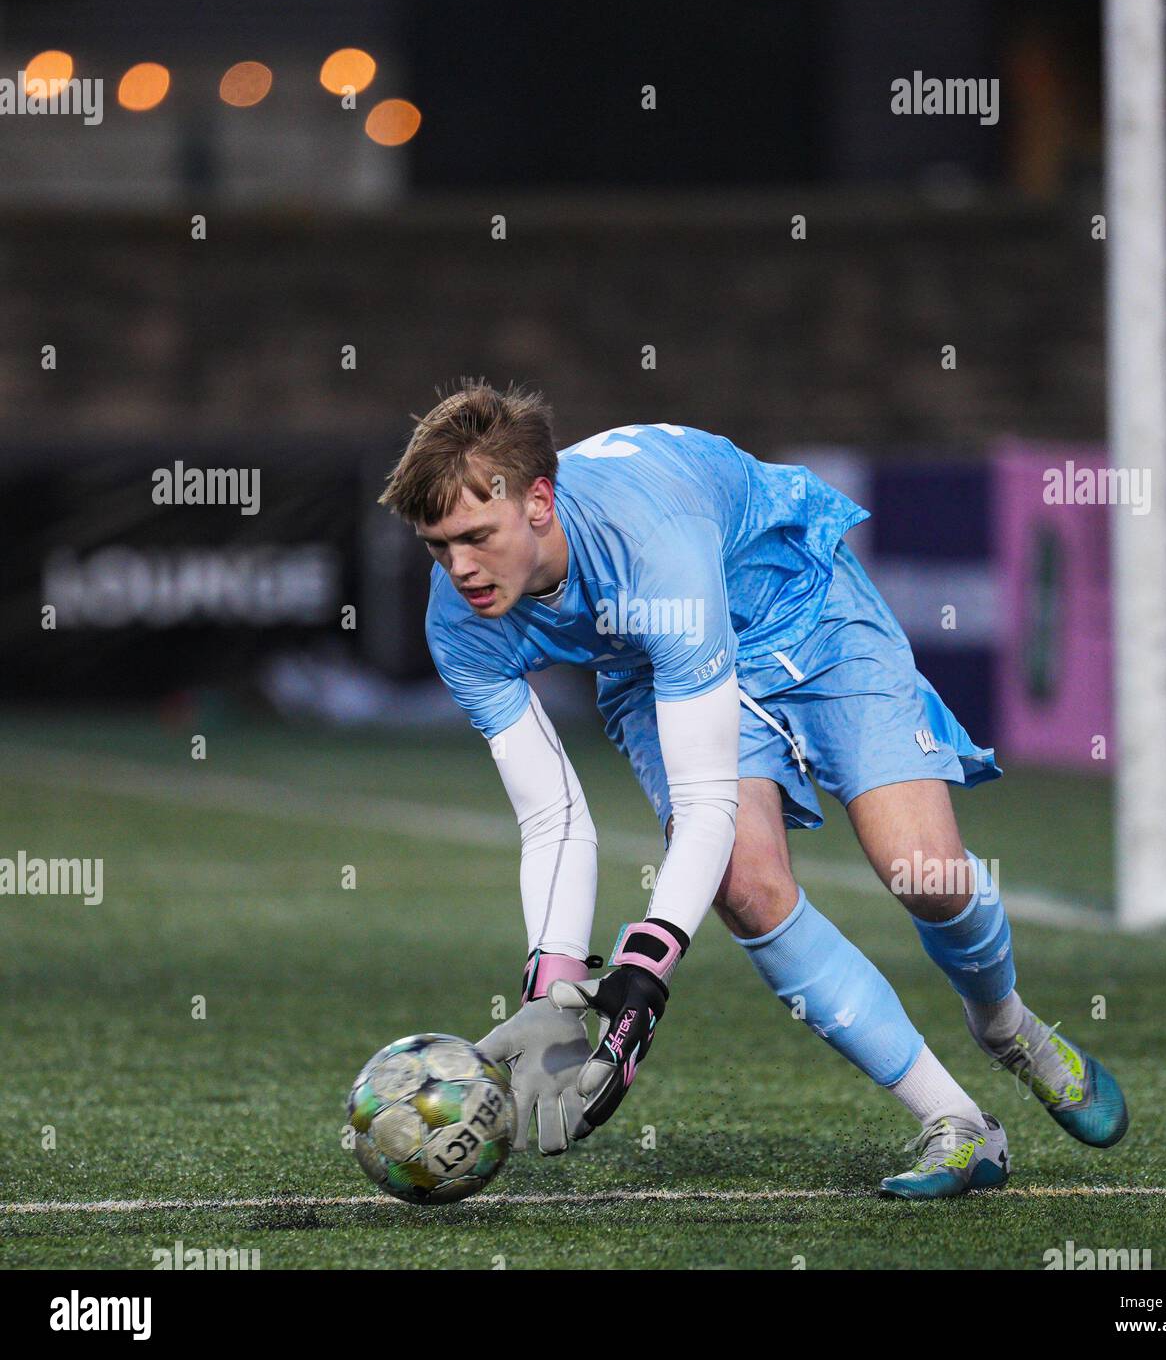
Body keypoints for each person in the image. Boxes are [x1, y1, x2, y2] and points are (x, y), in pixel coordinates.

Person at [378, 380, 1128, 1199]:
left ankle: (1009, 1028)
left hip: (805, 611)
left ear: (539, 503)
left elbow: (706, 803)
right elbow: (552, 815)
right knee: (744, 884)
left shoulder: (649, 540)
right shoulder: (457, 617)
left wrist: (645, 971)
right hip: (651, 662)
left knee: (924, 872)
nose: (460, 568)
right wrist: (552, 990)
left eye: (475, 537)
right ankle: (959, 1125)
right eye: (436, 546)